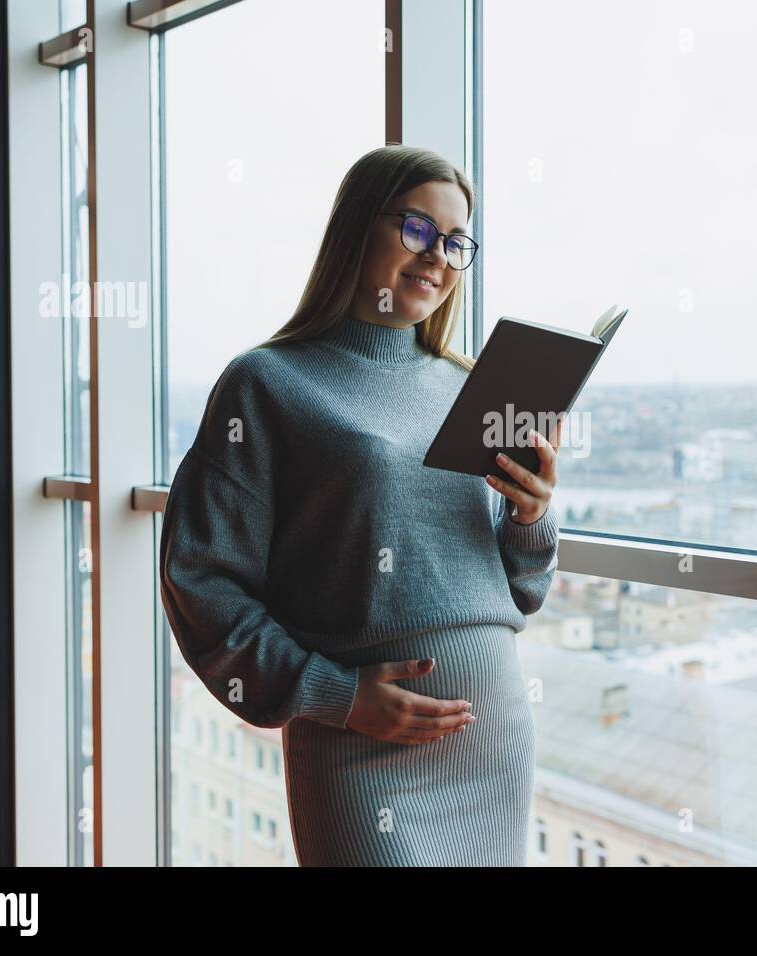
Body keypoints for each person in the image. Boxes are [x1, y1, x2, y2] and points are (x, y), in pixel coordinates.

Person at [158, 144, 563, 866]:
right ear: (355, 228)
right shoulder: (267, 382)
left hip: (492, 742)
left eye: (455, 242)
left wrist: (531, 518)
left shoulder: (468, 385)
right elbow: (201, 582)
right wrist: (337, 696)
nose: (436, 256)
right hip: (355, 747)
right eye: (415, 229)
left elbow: (521, 593)